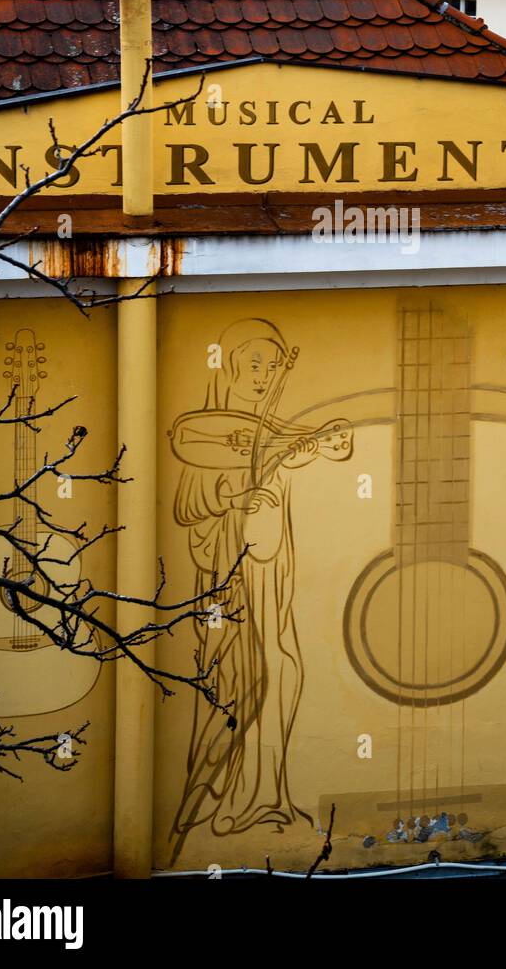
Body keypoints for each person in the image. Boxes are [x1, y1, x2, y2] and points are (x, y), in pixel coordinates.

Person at [169, 318, 352, 857]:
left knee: (285, 666)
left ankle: (269, 795)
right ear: (228, 366)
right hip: (231, 573)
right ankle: (236, 802)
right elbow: (187, 505)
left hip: (272, 569)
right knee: (244, 676)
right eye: (253, 363)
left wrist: (312, 448)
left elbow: (319, 455)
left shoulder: (272, 428)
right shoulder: (209, 431)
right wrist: (233, 495)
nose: (263, 375)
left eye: (273, 365)